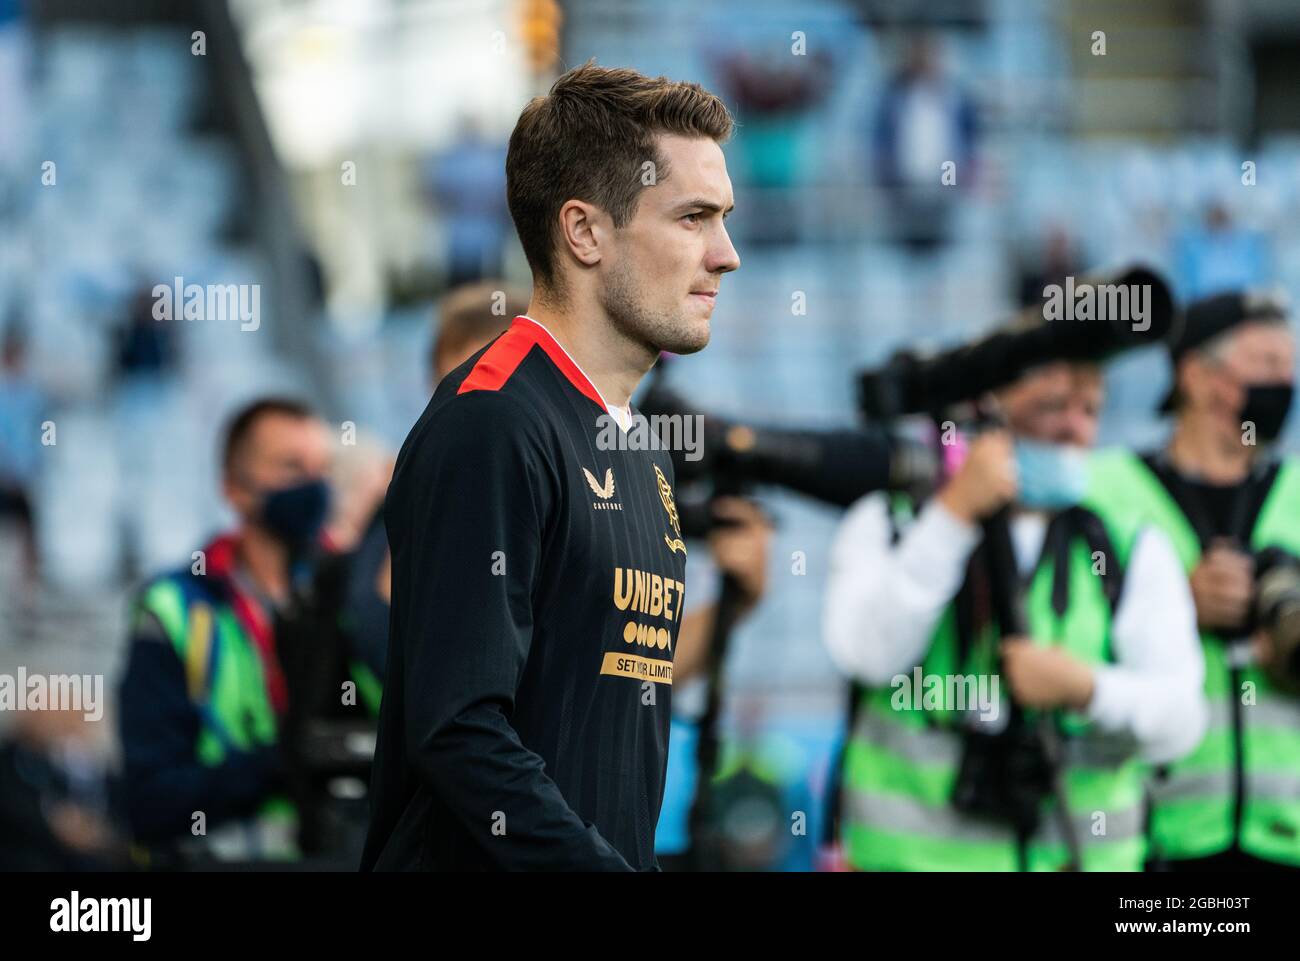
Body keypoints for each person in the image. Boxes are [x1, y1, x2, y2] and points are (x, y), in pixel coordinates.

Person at [361, 61, 740, 871]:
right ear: (584, 231)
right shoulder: (491, 421)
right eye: (694, 218)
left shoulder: (636, 440)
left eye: (724, 219)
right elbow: (458, 727)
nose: (726, 254)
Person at [824, 358, 1205, 871]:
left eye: (1090, 409)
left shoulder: (1126, 541)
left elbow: (1181, 720)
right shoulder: (888, 520)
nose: (1075, 427)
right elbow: (868, 653)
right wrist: (954, 515)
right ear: (988, 415)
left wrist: (1085, 689)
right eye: (1051, 407)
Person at [1087, 290, 1300, 870]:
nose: (1285, 382)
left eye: (1289, 366)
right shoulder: (1107, 491)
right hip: (1153, 839)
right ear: (1197, 376)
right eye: (1266, 365)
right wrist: (1170, 605)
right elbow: (1065, 635)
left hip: (1287, 838)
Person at [117, 398, 333, 865]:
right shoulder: (172, 609)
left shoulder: (352, 598)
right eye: (292, 467)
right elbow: (151, 801)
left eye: (323, 468)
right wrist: (281, 761)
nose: (315, 485)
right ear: (235, 488)